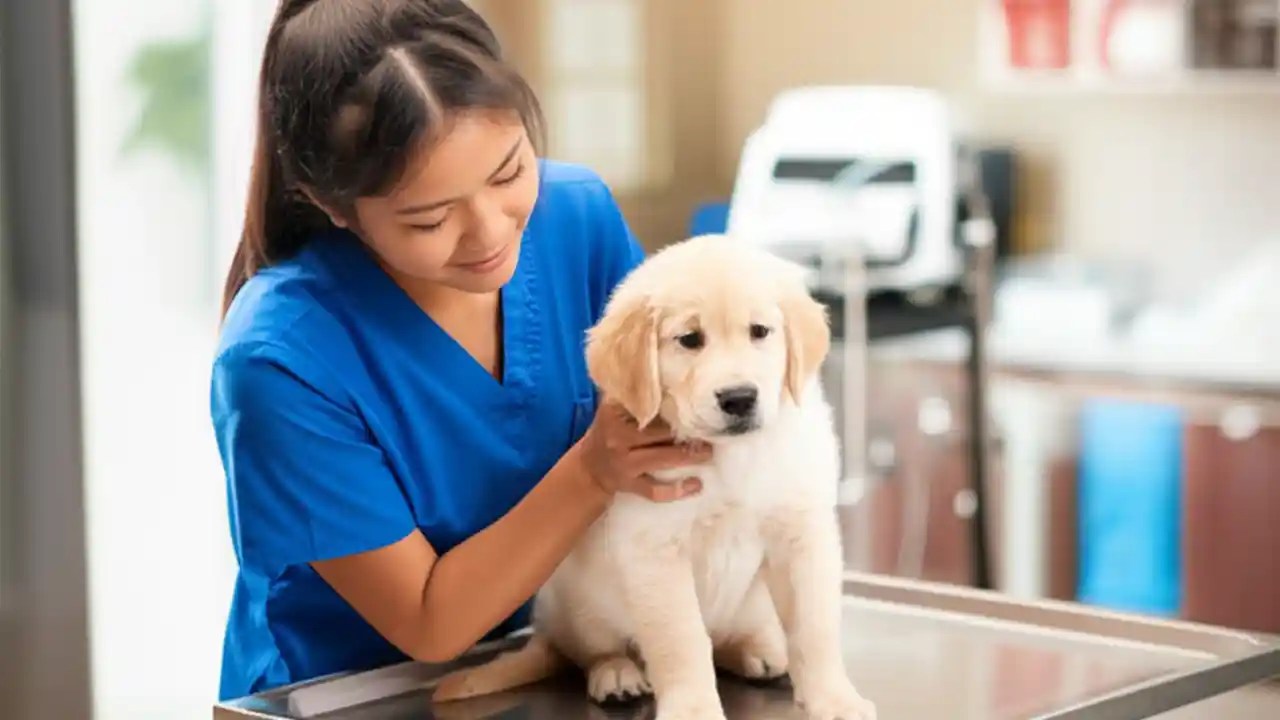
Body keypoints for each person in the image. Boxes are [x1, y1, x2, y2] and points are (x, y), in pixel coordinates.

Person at [211, 0, 710, 701]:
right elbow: (428, 621)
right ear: (331, 203)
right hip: (354, 695)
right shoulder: (281, 358)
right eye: (430, 218)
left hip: (557, 664)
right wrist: (594, 469)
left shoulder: (578, 220)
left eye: (508, 172)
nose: (488, 234)